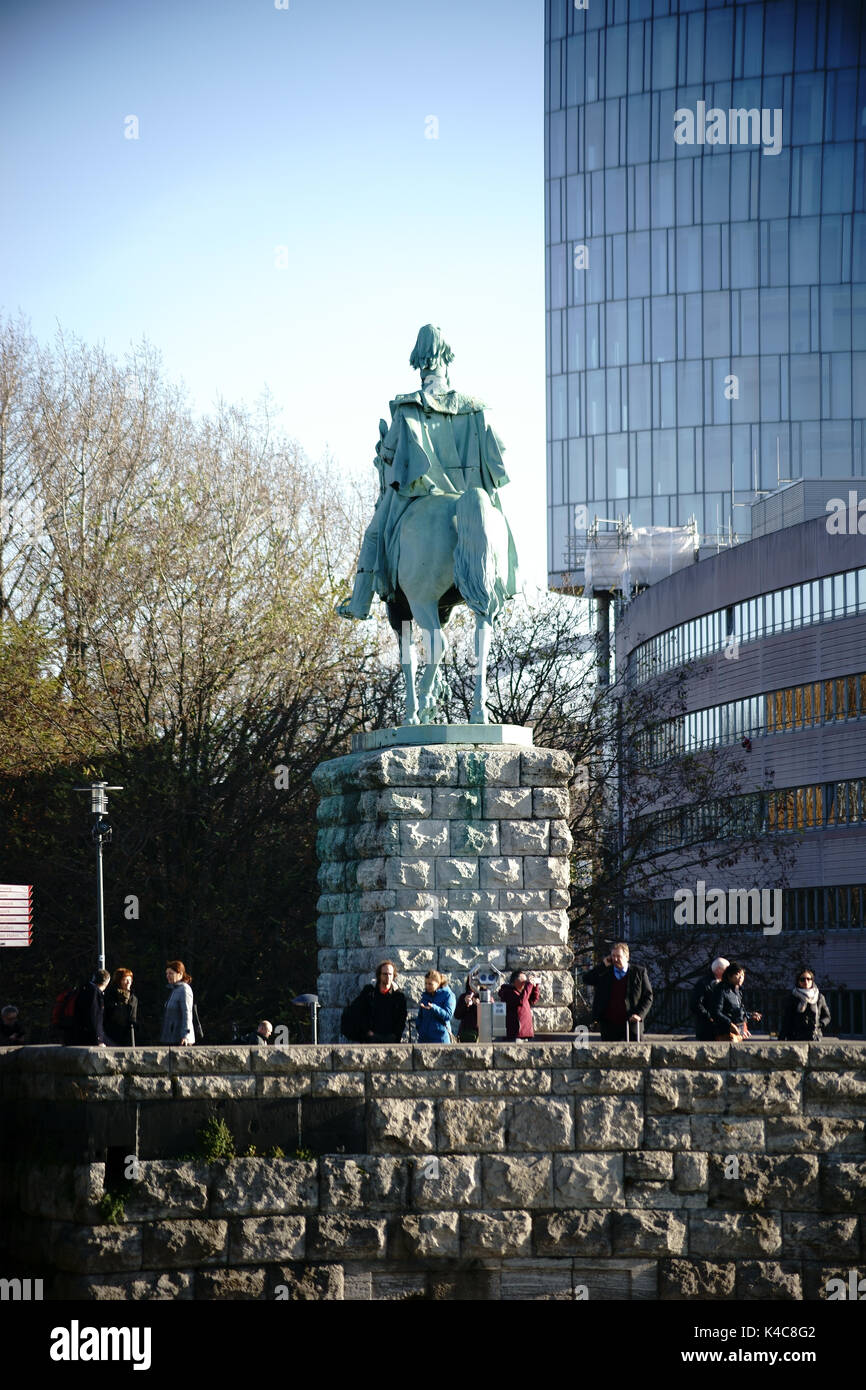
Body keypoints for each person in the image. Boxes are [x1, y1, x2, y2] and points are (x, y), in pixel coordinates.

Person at [336, 323, 518, 621]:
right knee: (498, 521)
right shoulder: (475, 409)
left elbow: (389, 456)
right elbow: (497, 459)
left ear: (420, 361)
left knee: (373, 535)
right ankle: (506, 578)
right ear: (446, 358)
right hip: (468, 492)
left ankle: (359, 603)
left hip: (418, 494)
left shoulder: (407, 407)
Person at [583, 942, 653, 1040]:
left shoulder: (638, 972)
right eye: (613, 956)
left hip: (632, 1025)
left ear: (627, 957)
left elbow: (648, 996)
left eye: (618, 956)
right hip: (609, 1026)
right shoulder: (605, 972)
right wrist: (603, 965)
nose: (615, 959)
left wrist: (639, 1015)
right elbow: (586, 979)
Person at [341, 961, 408, 1043]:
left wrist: (395, 1035)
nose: (388, 977)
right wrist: (367, 1031)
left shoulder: (398, 996)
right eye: (385, 974)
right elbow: (357, 1012)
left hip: (390, 1039)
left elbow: (401, 1018)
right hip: (372, 1038)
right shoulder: (369, 993)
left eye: (390, 974)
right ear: (379, 975)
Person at [706, 962, 762, 1040]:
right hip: (724, 1033)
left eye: (742, 975)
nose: (741, 978)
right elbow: (716, 1012)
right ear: (729, 976)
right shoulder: (721, 990)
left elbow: (737, 1011)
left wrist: (750, 1015)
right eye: (738, 974)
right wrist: (730, 1025)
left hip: (738, 1032)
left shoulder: (738, 991)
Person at [778, 967, 831, 1041]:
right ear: (798, 981)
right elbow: (787, 1020)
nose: (806, 982)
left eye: (809, 979)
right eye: (802, 979)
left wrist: (820, 1024)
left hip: (815, 1036)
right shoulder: (793, 997)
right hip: (796, 1037)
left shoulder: (819, 997)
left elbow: (827, 1017)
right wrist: (782, 1038)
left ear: (812, 981)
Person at [690, 957, 729, 1041]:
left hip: (718, 1027)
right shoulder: (704, 984)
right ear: (718, 970)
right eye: (727, 969)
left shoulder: (722, 983)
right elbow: (695, 1004)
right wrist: (709, 1016)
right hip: (707, 1028)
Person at [498, 969, 540, 1041]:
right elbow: (521, 1001)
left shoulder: (522, 994)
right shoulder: (508, 992)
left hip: (526, 1033)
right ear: (515, 981)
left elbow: (533, 1000)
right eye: (524, 981)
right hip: (515, 1034)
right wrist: (529, 985)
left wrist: (535, 987)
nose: (525, 984)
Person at [160, 961, 195, 1046]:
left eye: (171, 973)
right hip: (171, 1037)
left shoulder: (184, 990)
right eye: (167, 973)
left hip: (181, 1040)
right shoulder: (174, 990)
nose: (168, 976)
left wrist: (185, 1035)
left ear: (180, 974)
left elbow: (187, 1013)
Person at [72, 970, 111, 1045]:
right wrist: (98, 1039)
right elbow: (95, 1017)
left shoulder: (84, 988)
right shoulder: (94, 992)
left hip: (77, 1034)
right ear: (106, 982)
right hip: (90, 1038)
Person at [416, 970, 455, 1043]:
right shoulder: (425, 996)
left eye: (430, 984)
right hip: (424, 1039)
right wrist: (419, 1027)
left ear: (438, 983)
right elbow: (420, 1015)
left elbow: (448, 1015)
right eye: (426, 983)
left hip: (440, 1039)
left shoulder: (448, 995)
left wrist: (434, 1008)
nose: (427, 986)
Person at [103, 967, 138, 1046]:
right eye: (125, 980)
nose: (128, 982)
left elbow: (133, 1018)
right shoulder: (110, 995)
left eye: (130, 980)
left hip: (127, 1034)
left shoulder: (133, 998)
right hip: (111, 1034)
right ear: (119, 981)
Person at [454, 975, 480, 1042]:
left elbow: (490, 1018)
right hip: (465, 1034)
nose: (475, 985)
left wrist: (479, 1006)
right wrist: (465, 1004)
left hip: (481, 1034)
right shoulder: (463, 996)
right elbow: (457, 1015)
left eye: (477, 982)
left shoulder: (486, 997)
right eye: (472, 982)